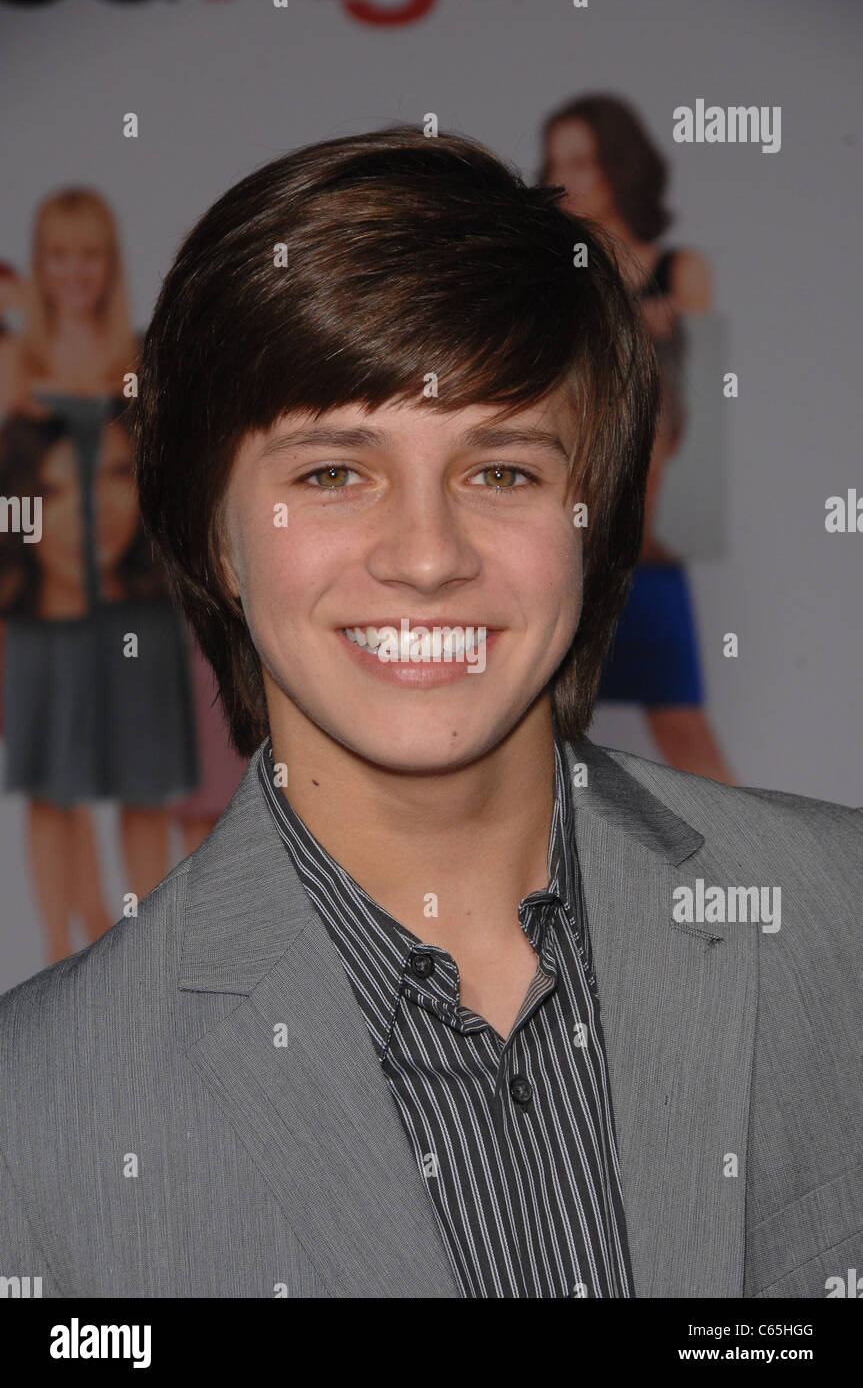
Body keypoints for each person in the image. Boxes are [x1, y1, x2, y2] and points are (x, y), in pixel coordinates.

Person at [0, 128, 859, 1299]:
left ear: (592, 519)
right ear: (213, 532)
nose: (424, 555)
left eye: (499, 470)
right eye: (331, 473)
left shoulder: (840, 925)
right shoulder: (33, 1115)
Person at [0, 190, 199, 960]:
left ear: (108, 263)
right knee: (52, 789)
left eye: (88, 254)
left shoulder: (141, 357)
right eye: (58, 255)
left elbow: (169, 487)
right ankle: (58, 959)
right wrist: (26, 562)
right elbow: (4, 499)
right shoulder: (17, 362)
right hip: (45, 616)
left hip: (137, 610)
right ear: (42, 263)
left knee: (142, 785)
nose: (73, 271)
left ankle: (143, 960)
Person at [540, 95, 733, 780]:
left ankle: (749, 872)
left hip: (645, 538)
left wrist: (657, 345)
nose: (568, 180)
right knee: (535, 725)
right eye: (556, 163)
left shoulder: (679, 270)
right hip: (552, 531)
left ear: (620, 167)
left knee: (678, 719)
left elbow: (705, 414)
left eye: (584, 163)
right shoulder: (545, 275)